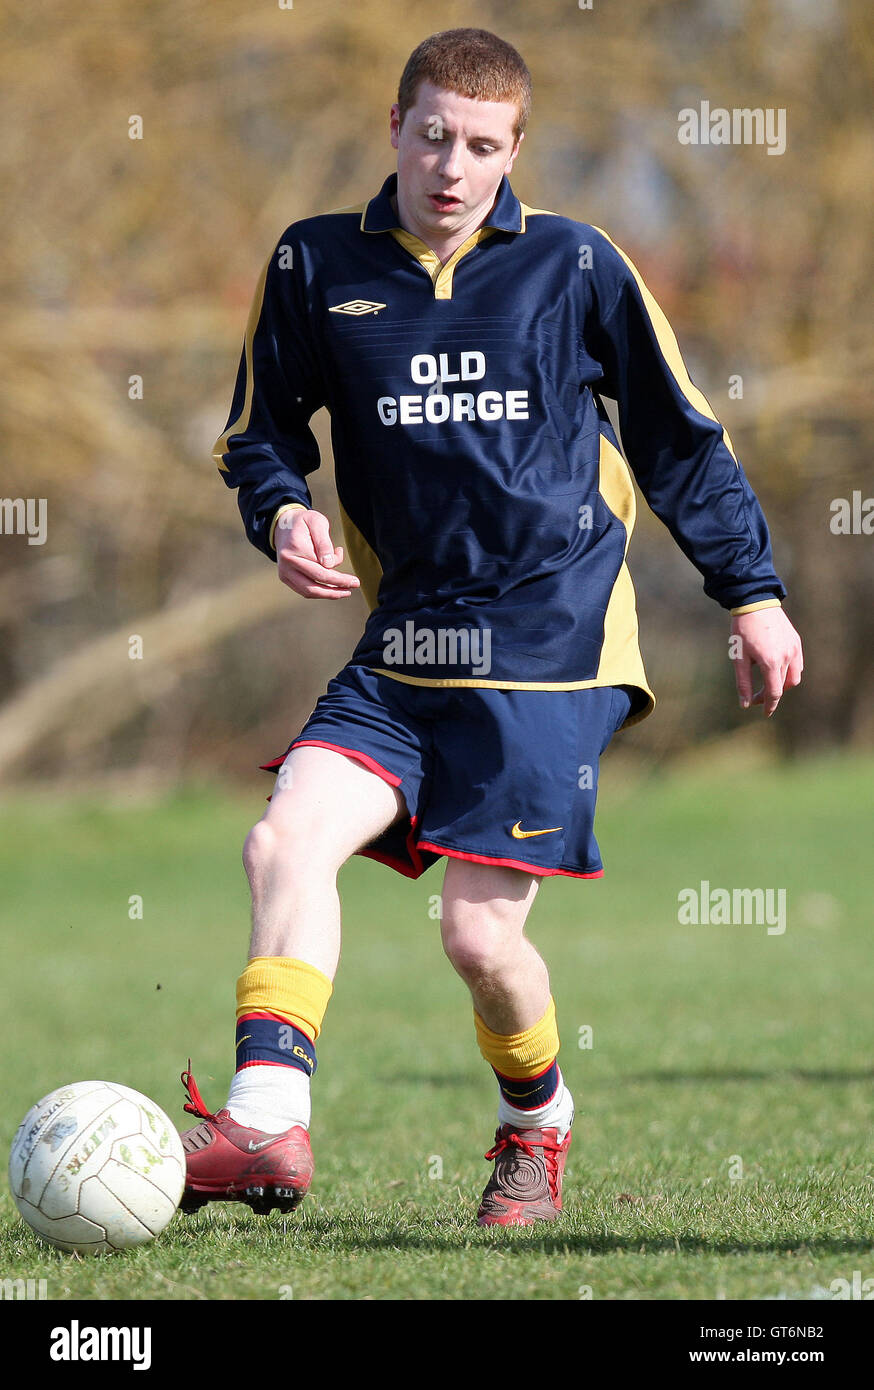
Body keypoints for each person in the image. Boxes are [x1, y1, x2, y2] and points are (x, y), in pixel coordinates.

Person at [179, 27, 803, 1227]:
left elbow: (680, 438)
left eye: (480, 145)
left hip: (551, 644)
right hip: (404, 640)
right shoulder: (316, 266)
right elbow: (257, 433)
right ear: (394, 130)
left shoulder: (574, 265)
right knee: (283, 840)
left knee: (476, 937)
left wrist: (753, 593)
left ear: (515, 148)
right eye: (431, 137)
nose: (451, 166)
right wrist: (278, 514)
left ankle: (535, 1126)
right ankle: (264, 1123)